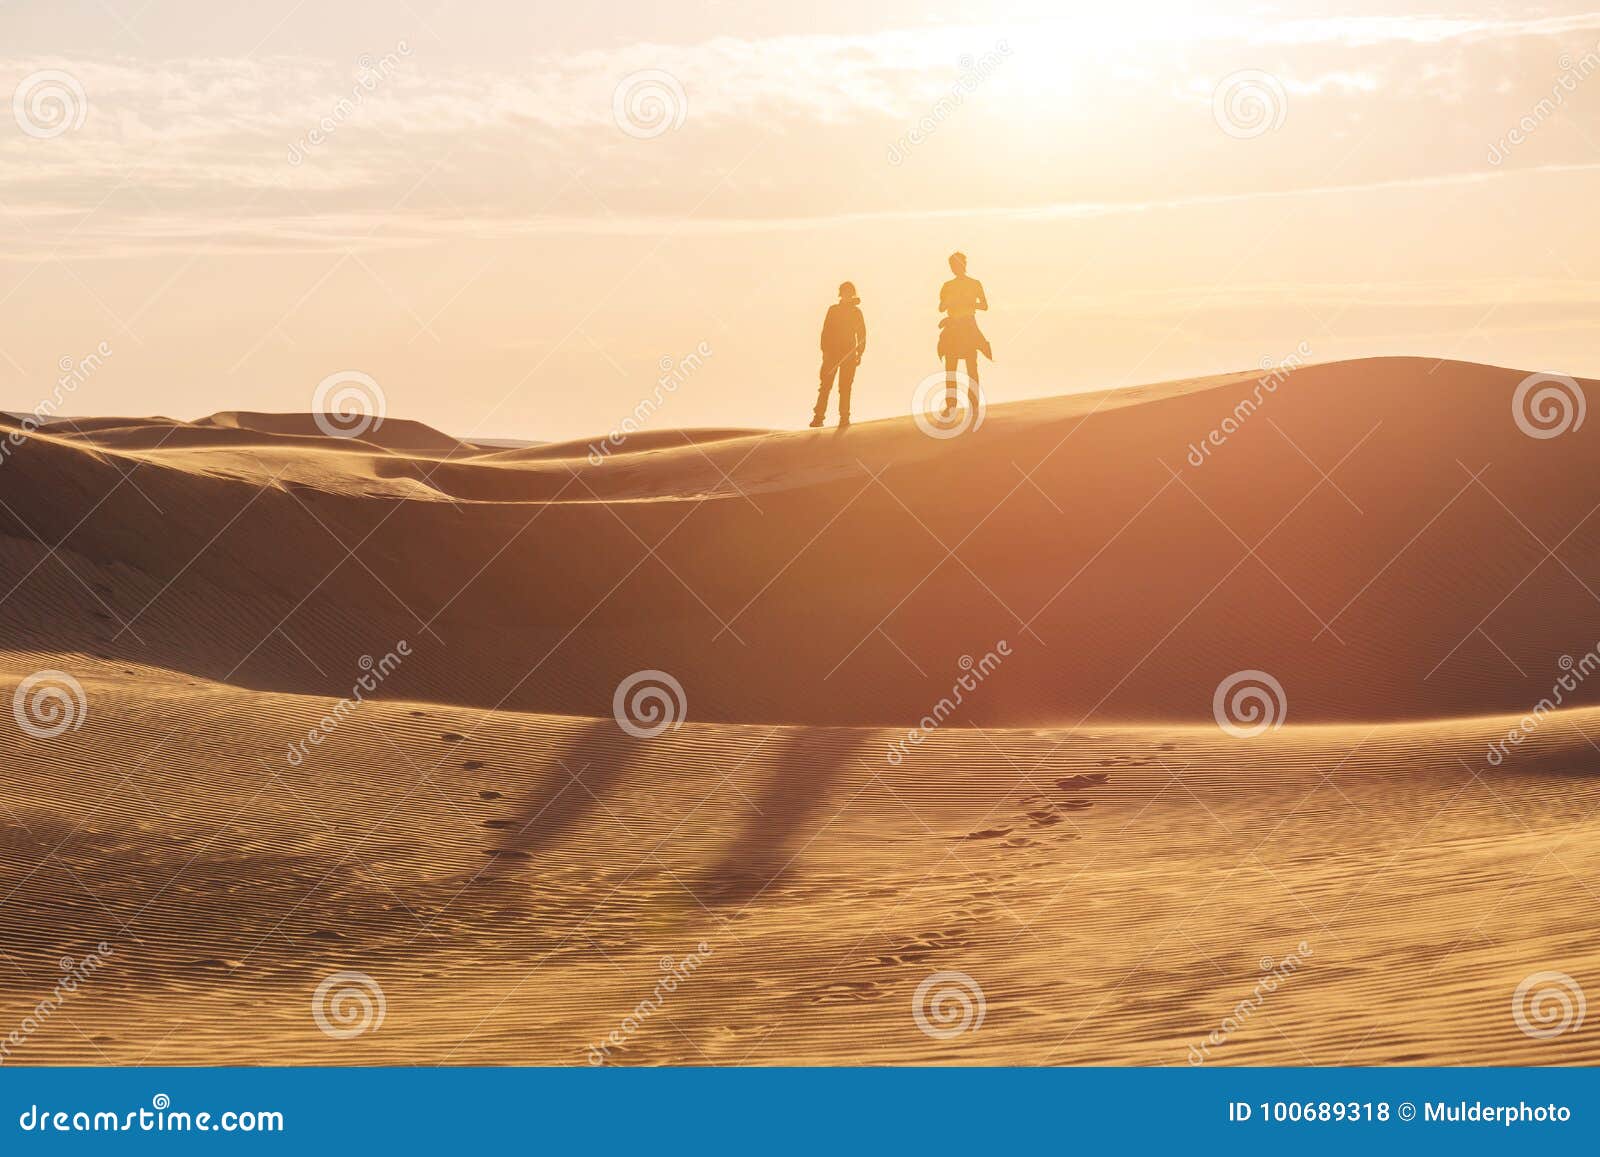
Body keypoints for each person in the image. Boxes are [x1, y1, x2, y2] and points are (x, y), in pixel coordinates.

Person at [937, 252, 990, 417]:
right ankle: (951, 404)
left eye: (957, 265)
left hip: (968, 326)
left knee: (971, 366)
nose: (955, 268)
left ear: (964, 265)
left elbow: (985, 305)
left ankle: (973, 403)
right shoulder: (947, 285)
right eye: (952, 266)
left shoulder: (974, 284)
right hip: (952, 328)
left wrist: (969, 302)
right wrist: (949, 302)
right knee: (950, 367)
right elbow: (941, 308)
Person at [811, 281, 866, 429]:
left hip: (848, 354)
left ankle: (844, 417)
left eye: (849, 292)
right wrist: (825, 352)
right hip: (832, 354)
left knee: (845, 387)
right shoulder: (833, 310)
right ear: (841, 294)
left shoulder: (856, 312)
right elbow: (825, 332)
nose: (846, 295)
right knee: (825, 386)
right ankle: (819, 417)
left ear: (852, 294)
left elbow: (861, 334)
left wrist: (859, 352)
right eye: (844, 292)